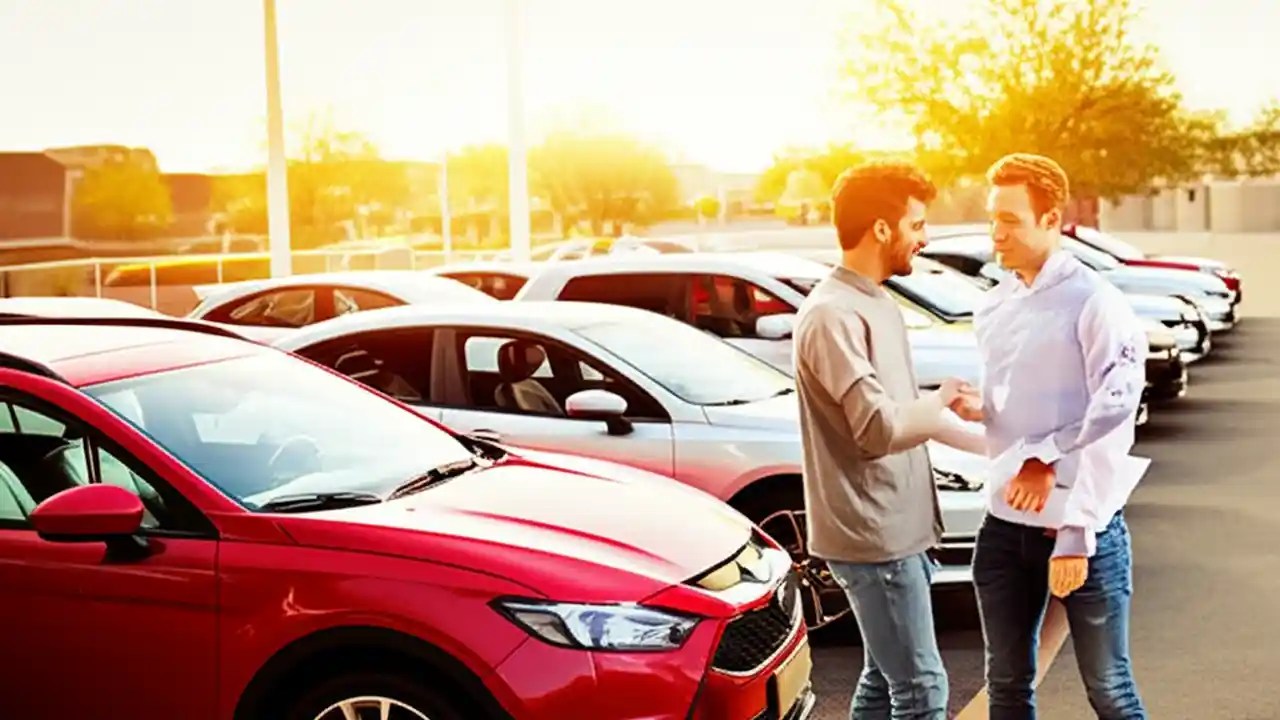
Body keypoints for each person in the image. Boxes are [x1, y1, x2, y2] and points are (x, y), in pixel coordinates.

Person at [793, 161, 983, 719]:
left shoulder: (875, 301)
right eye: (917, 224)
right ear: (881, 228)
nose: (925, 238)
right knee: (922, 690)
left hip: (904, 530)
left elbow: (908, 416)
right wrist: (941, 401)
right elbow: (879, 430)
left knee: (884, 683)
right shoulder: (832, 315)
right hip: (875, 537)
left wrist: (1008, 448)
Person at [969, 152, 1150, 719]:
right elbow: (1016, 415)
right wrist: (975, 410)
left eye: (1012, 220)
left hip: (1079, 531)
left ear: (1051, 220)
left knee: (1110, 690)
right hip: (1003, 530)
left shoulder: (1094, 302)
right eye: (993, 218)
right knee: (1007, 685)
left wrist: (1074, 524)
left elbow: (1116, 407)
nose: (997, 233)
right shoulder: (994, 304)